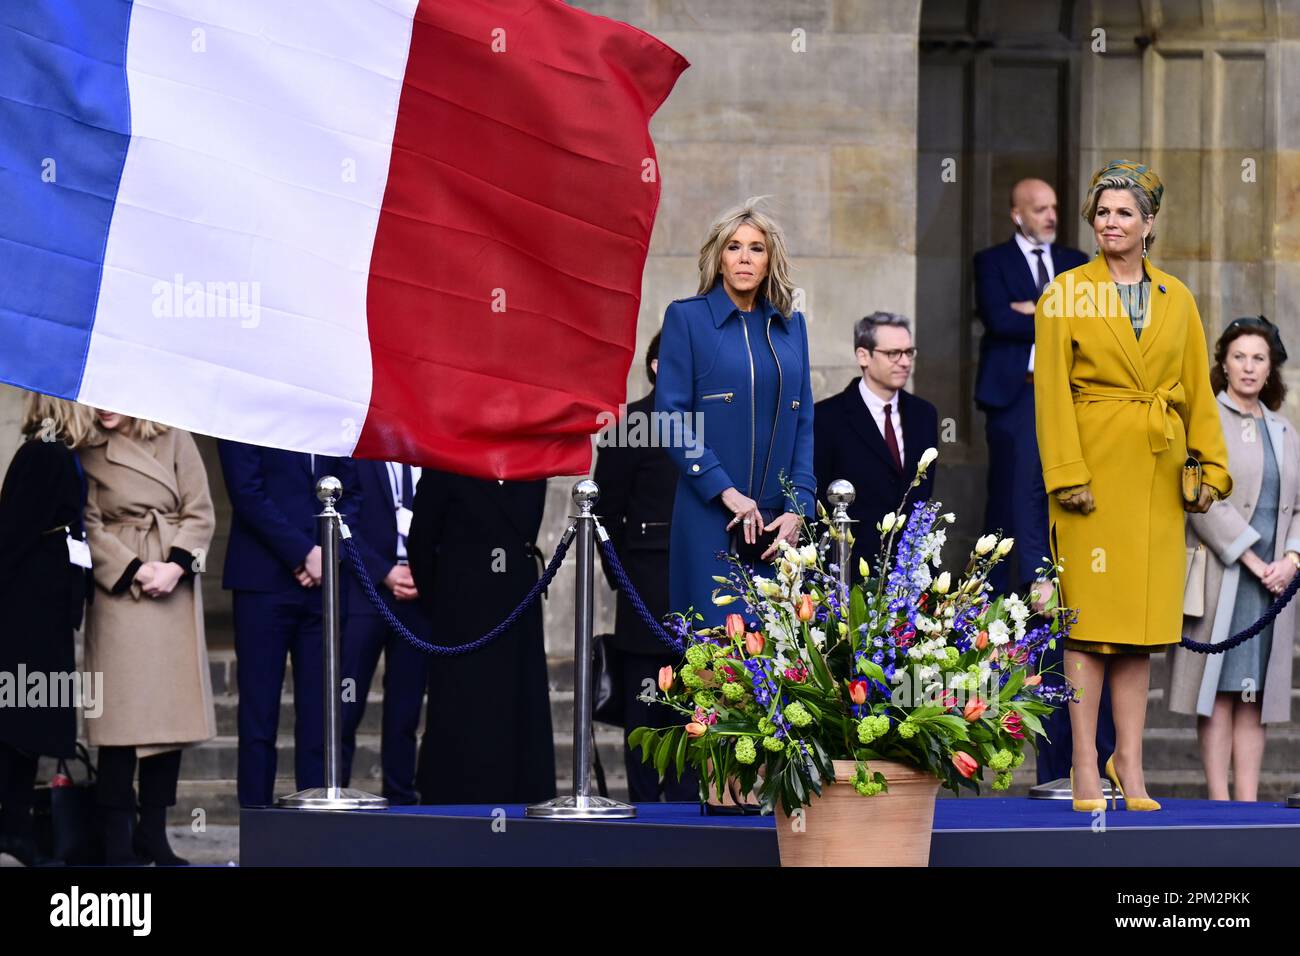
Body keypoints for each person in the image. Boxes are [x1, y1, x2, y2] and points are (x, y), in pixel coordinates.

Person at [1035, 160, 1231, 812]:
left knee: (1142, 630)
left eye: (1124, 212)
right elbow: (1050, 395)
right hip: (1092, 474)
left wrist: (1209, 467)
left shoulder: (1179, 297)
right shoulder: (1066, 291)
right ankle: (1086, 763)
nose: (1110, 222)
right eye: (1103, 212)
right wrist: (1066, 475)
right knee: (1089, 627)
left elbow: (1199, 391)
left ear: (1148, 224)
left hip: (1155, 476)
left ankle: (1131, 763)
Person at [655, 197, 815, 628]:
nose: (745, 257)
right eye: (734, 246)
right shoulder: (686, 319)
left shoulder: (791, 325)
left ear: (769, 260)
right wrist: (725, 492)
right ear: (718, 257)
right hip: (711, 516)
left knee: (781, 665)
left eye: (756, 248)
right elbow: (670, 418)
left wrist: (799, 507)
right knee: (716, 660)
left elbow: (803, 424)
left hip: (776, 528)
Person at [80, 410, 216, 865]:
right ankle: (117, 840)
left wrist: (176, 566)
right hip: (120, 587)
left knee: (167, 720)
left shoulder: (175, 433)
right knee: (119, 721)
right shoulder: (85, 443)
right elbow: (88, 525)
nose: (104, 409)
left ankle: (153, 836)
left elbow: (200, 510)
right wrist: (134, 570)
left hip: (171, 582)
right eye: (97, 400)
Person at [1170, 316, 1297, 801]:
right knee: (1218, 690)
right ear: (1223, 362)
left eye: (1258, 358)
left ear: (1271, 369)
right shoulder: (1207, 420)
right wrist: (1252, 557)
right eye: (1239, 357)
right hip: (1226, 576)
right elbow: (1197, 494)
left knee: (1255, 695)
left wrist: (1291, 558)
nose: (1248, 367)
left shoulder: (1284, 429)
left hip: (1275, 583)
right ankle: (1218, 803)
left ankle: (1248, 801)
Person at [217, 442, 361, 808]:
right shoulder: (246, 409)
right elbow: (246, 492)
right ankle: (256, 832)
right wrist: (302, 553)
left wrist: (330, 553)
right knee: (258, 720)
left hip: (323, 586)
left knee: (320, 719)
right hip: (262, 582)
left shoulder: (330, 410)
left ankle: (313, 835)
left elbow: (354, 492)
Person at [406, 471, 555, 804]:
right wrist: (445, 600)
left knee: (518, 703)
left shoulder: (531, 465)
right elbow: (421, 542)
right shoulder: (445, 464)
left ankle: (523, 794)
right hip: (462, 611)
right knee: (465, 709)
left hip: (517, 605)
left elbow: (525, 528)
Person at [593, 333, 695, 801]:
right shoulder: (628, 424)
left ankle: (688, 803)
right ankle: (643, 809)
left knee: (695, 713)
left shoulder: (710, 424)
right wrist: (622, 579)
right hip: (644, 591)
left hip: (701, 593)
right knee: (644, 710)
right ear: (656, 367)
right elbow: (604, 513)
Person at [974, 178, 1089, 594]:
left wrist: (1033, 309)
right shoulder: (992, 261)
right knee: (1009, 494)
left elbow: (1085, 326)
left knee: (1058, 490)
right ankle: (995, 604)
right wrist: (1054, 311)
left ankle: (1055, 594)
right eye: (1040, 209)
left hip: (1070, 396)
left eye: (1054, 207)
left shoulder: (1076, 261)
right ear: (1017, 214)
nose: (1051, 216)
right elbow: (999, 321)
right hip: (1015, 394)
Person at [0, 396, 95, 866]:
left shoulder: (57, 453)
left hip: (43, 611)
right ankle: (14, 830)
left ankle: (16, 830)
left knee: (27, 722)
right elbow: (13, 535)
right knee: (20, 721)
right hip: (27, 616)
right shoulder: (43, 454)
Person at [813, 311, 937, 581]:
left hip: (911, 574)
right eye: (893, 353)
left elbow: (922, 496)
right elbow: (818, 502)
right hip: (849, 571)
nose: (904, 362)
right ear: (863, 356)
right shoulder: (825, 418)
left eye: (909, 352)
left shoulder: (924, 414)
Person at [340, 459, 431, 804]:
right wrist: (384, 572)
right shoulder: (361, 450)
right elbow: (345, 517)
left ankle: (401, 797)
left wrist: (425, 574)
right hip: (367, 591)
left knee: (405, 708)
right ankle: (337, 793)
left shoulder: (432, 454)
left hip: (419, 599)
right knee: (347, 701)